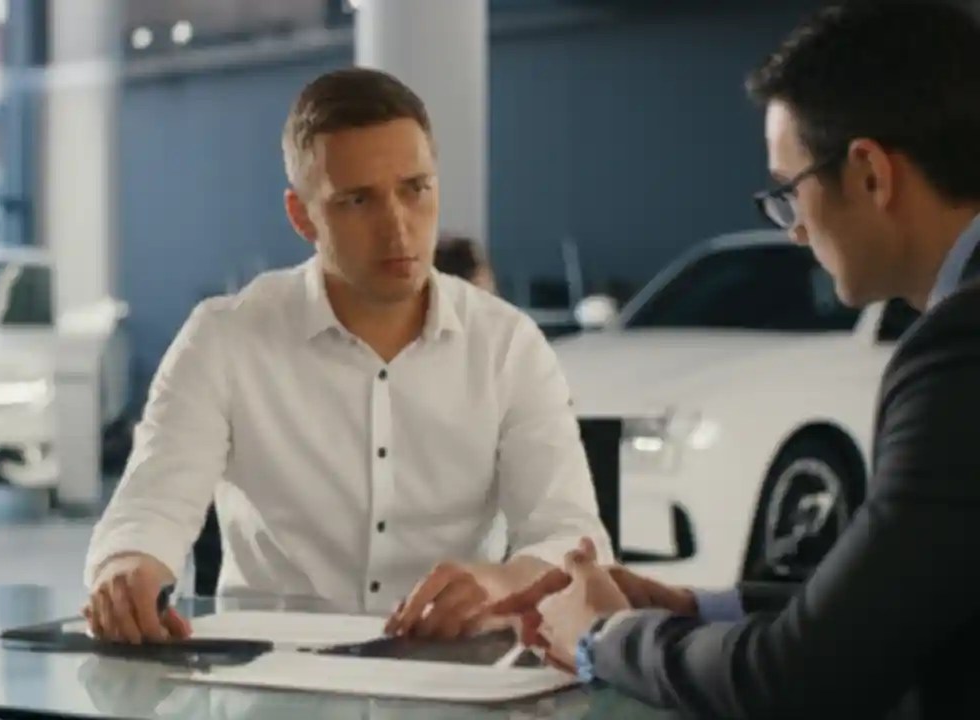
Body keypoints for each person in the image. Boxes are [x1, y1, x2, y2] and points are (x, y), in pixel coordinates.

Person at [490, 2, 980, 718]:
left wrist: (603, 634)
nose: (794, 232)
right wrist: (689, 604)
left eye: (788, 193)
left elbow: (803, 675)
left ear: (871, 173)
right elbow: (896, 597)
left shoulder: (959, 346)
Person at [82, 67, 611, 645]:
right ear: (302, 215)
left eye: (416, 189)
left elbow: (572, 536)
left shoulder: (508, 344)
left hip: (453, 680)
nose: (397, 228)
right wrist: (127, 569)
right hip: (272, 683)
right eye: (357, 201)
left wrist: (505, 582)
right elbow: (152, 502)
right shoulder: (225, 337)